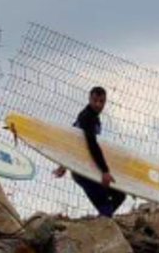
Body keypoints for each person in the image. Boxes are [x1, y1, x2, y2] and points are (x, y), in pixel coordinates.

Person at [53, 86, 127, 217]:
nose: (98, 104)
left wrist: (63, 165)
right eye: (95, 100)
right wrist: (104, 171)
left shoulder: (91, 117)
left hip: (89, 167)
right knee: (107, 204)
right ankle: (102, 226)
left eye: (101, 101)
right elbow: (91, 145)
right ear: (89, 99)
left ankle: (103, 222)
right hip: (82, 171)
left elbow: (74, 140)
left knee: (119, 195)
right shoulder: (87, 117)